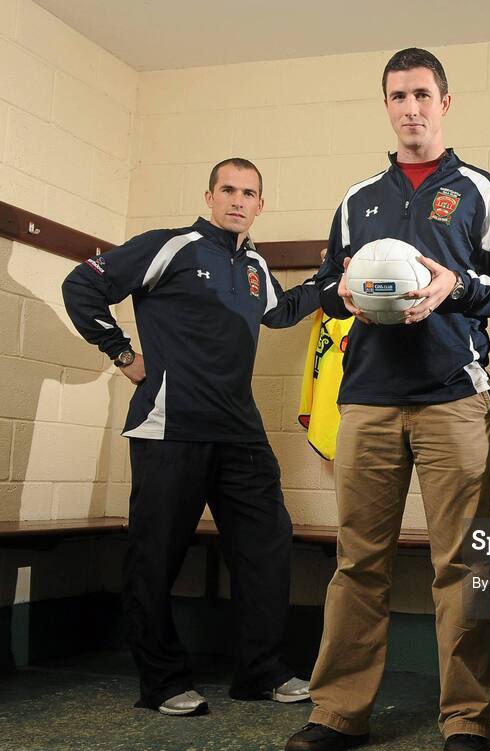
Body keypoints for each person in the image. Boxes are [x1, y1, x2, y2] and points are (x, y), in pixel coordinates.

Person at [283, 48, 490, 751]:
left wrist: (456, 285)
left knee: (460, 564)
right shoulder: (357, 197)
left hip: (453, 397)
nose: (410, 107)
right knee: (357, 561)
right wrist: (343, 296)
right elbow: (328, 286)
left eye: (422, 94)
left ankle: (466, 720)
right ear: (386, 106)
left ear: (444, 103)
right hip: (366, 399)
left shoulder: (482, 191)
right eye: (397, 96)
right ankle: (337, 711)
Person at [62, 158, 320, 716]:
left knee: (267, 546)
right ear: (209, 196)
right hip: (169, 429)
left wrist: (330, 282)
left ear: (259, 205)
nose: (238, 200)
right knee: (155, 556)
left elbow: (281, 312)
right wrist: (122, 353)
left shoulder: (254, 265)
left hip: (240, 433)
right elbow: (82, 284)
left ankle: (262, 670)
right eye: (228, 189)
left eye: (249, 193)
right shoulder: (170, 246)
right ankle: (161, 681)